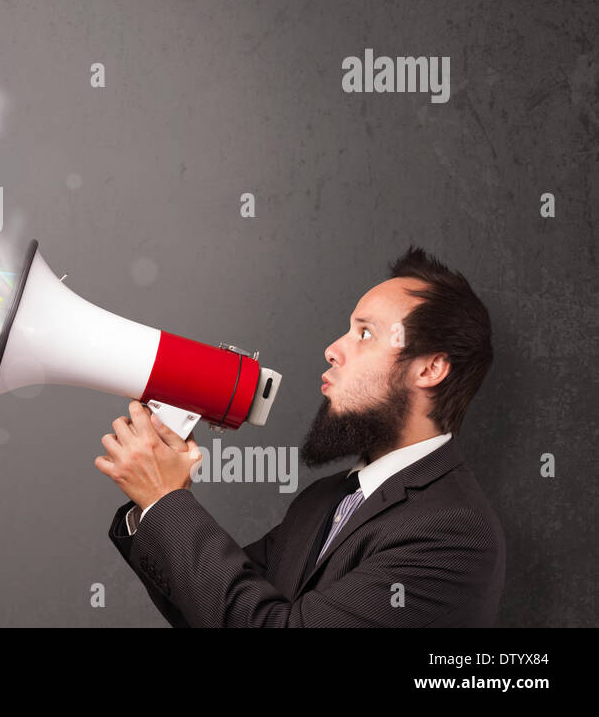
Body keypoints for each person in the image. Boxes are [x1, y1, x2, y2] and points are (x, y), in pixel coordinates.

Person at [97, 246, 505, 627]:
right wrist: (150, 502)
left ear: (430, 369)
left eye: (365, 334)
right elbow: (213, 609)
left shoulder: (454, 532)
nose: (331, 349)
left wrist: (165, 499)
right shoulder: (326, 499)